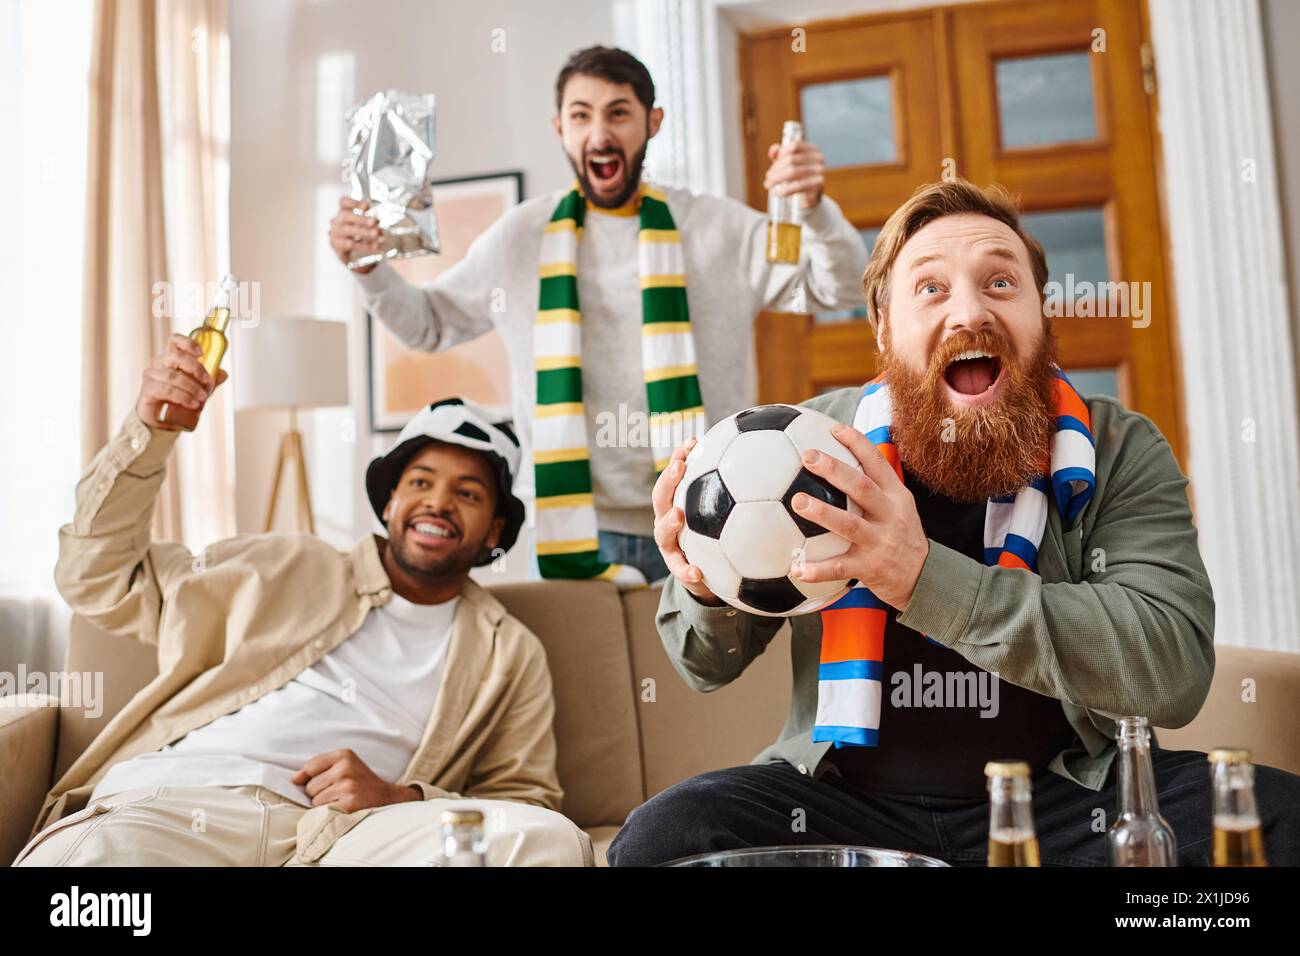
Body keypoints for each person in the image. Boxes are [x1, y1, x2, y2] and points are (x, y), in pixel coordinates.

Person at [608, 178, 1300, 866]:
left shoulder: (1117, 449)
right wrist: (703, 586)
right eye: (931, 288)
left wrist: (922, 579)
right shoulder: (809, 445)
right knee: (667, 838)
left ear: (1041, 314)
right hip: (848, 808)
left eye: (1001, 283)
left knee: (1279, 818)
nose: (970, 313)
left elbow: (1171, 671)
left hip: (1060, 806)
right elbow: (703, 664)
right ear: (883, 326)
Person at [15, 336, 591, 867]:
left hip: (350, 837)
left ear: (494, 531)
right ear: (389, 503)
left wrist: (401, 796)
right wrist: (149, 433)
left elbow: (525, 800)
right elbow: (95, 576)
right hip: (182, 804)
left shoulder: (507, 650)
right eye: (420, 481)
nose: (438, 503)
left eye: (467, 493)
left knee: (547, 841)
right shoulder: (283, 565)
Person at [329, 45, 867, 586]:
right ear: (560, 127)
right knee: (597, 671)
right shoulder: (520, 238)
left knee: (711, 671)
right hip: (581, 523)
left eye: (618, 113)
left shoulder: (716, 228)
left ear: (651, 122)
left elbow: (837, 285)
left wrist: (814, 209)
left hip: (716, 509)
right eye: (582, 115)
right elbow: (427, 324)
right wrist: (365, 268)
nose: (600, 134)